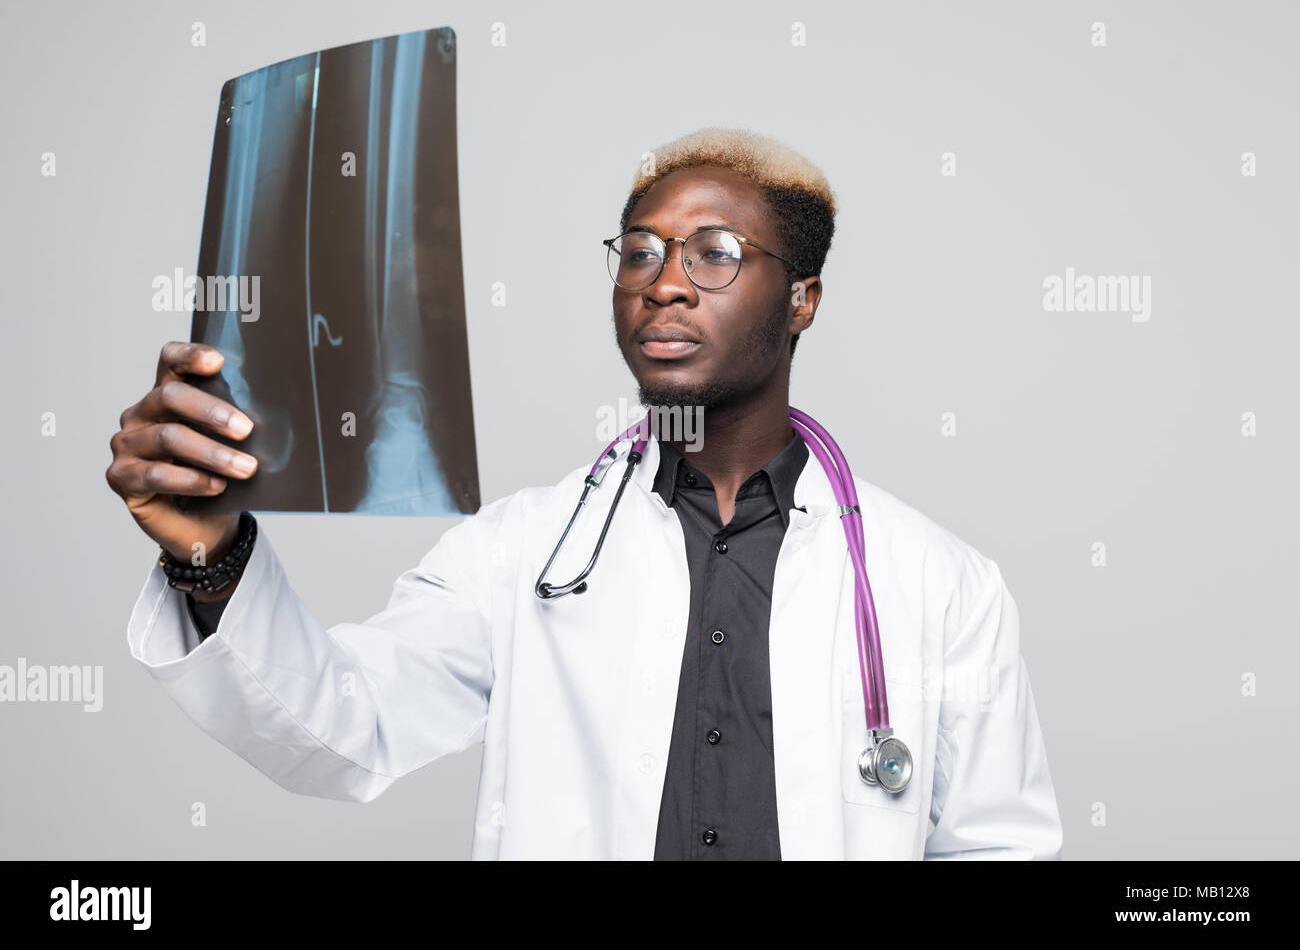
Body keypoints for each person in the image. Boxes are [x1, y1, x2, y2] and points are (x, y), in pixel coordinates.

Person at [106, 127, 1063, 860]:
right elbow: (343, 727)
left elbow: (999, 845)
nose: (665, 285)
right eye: (640, 251)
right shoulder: (520, 553)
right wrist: (210, 553)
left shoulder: (940, 584)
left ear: (803, 299)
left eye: (715, 253)